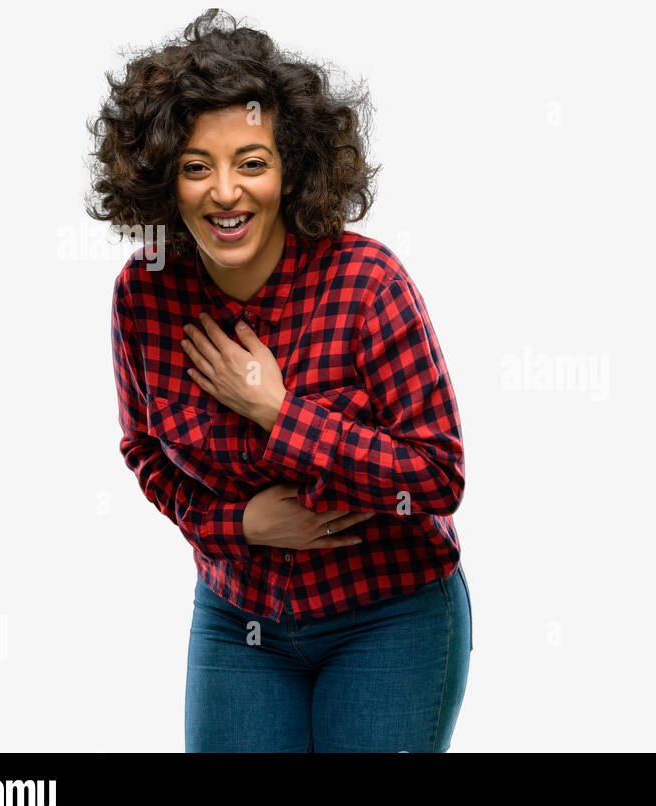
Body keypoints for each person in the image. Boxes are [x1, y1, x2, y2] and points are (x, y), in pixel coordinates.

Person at [86, 9, 471, 752]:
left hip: (389, 614)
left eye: (252, 162)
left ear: (290, 167)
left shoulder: (367, 283)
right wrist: (238, 526)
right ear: (166, 178)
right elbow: (144, 453)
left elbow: (437, 476)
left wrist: (279, 412)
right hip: (239, 618)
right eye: (198, 166)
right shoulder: (145, 293)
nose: (226, 192)